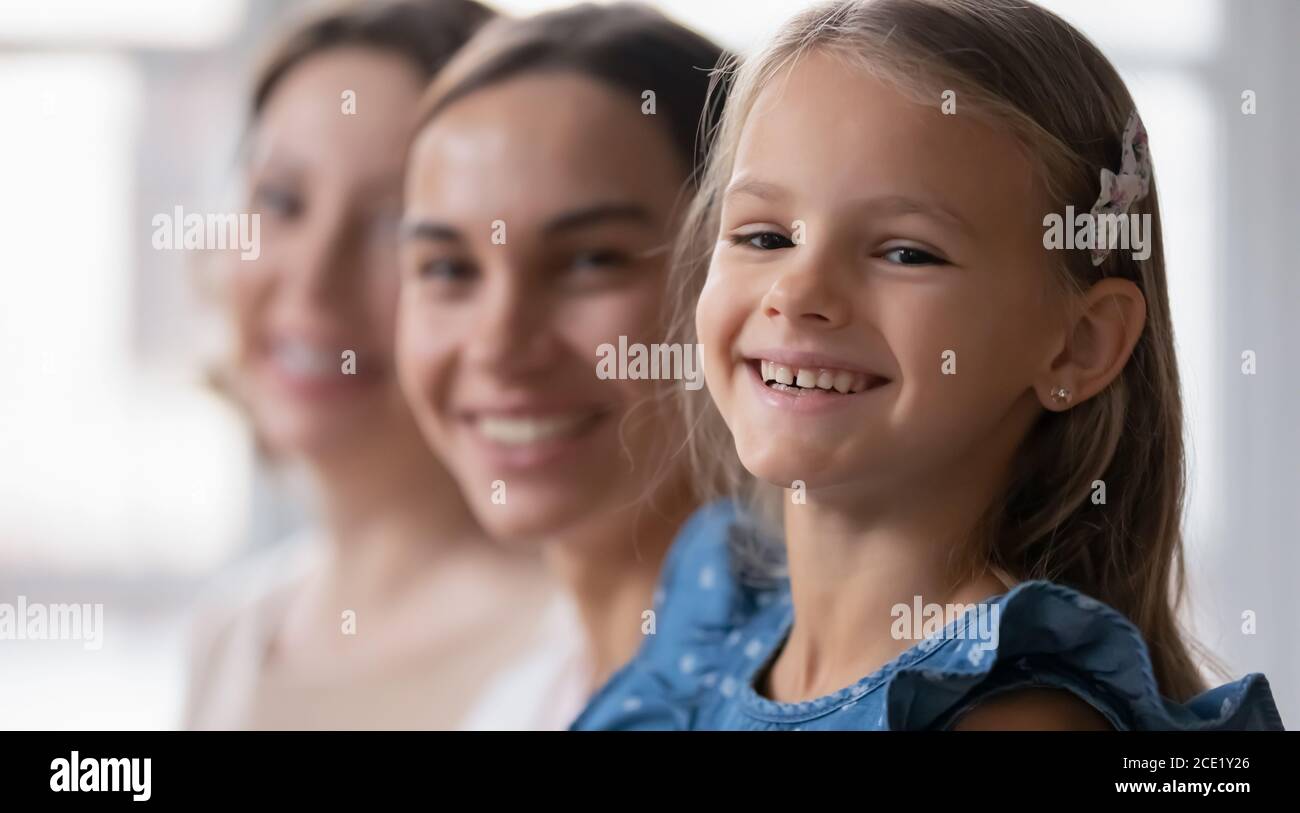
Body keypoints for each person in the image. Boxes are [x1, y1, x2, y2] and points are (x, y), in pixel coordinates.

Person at [574, 0, 1285, 730]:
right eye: (764, 236)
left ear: (1081, 345)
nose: (798, 293)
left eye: (906, 252)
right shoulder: (713, 605)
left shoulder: (1012, 718)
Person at [185, 0, 555, 730]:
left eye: (396, 225)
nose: (314, 280)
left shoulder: (576, 655)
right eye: (283, 200)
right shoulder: (230, 633)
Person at [396, 3, 727, 729]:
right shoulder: (518, 704)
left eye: (589, 260)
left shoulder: (854, 694)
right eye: (448, 267)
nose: (498, 344)